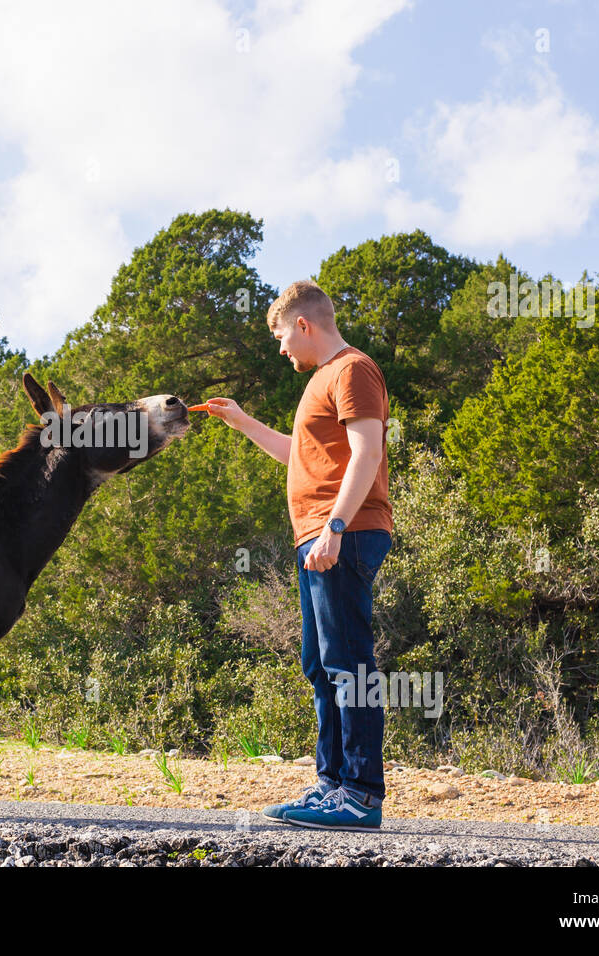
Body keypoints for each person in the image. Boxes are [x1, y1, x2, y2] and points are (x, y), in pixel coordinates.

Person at [202, 279, 393, 831]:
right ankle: (331, 786)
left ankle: (359, 795)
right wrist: (241, 421)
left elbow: (368, 452)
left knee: (348, 664)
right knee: (321, 664)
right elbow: (300, 457)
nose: (281, 348)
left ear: (304, 324)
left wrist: (335, 526)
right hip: (319, 536)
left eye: (282, 335)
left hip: (345, 532)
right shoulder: (322, 381)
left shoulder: (352, 370)